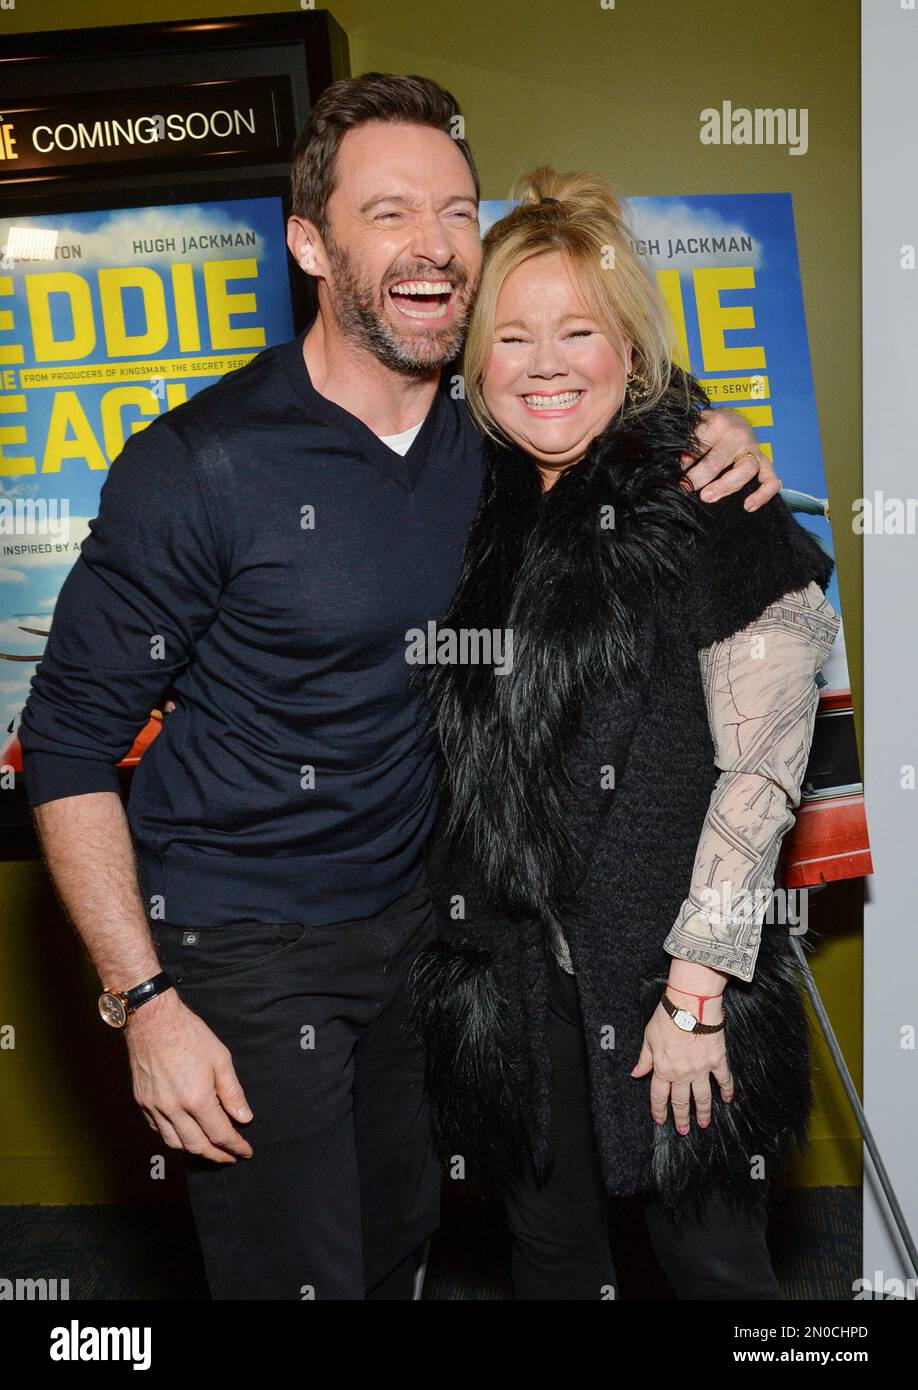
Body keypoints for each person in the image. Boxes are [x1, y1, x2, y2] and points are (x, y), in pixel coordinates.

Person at [19, 75, 778, 1301]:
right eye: (388, 213)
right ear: (310, 243)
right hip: (244, 943)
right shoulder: (198, 466)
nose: (433, 246)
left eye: (456, 212)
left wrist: (716, 437)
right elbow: (61, 746)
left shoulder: (491, 436)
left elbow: (602, 396)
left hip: (426, 938)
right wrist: (142, 997)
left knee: (395, 1247)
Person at [411, 166, 840, 1300]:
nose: (544, 362)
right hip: (521, 975)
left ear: (630, 350)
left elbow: (762, 772)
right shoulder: (482, 512)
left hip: (678, 980)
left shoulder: (716, 502)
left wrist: (695, 993)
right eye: (511, 337)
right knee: (552, 1256)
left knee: (711, 1265)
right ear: (476, 363)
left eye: (577, 330)